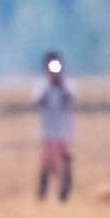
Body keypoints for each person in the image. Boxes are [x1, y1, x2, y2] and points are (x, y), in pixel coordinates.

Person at [34, 51, 76, 202]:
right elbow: (39, 102)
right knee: (46, 163)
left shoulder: (67, 84)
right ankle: (42, 196)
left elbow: (69, 99)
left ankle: (64, 194)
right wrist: (51, 85)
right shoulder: (42, 85)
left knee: (65, 161)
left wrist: (60, 84)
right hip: (47, 131)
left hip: (64, 130)